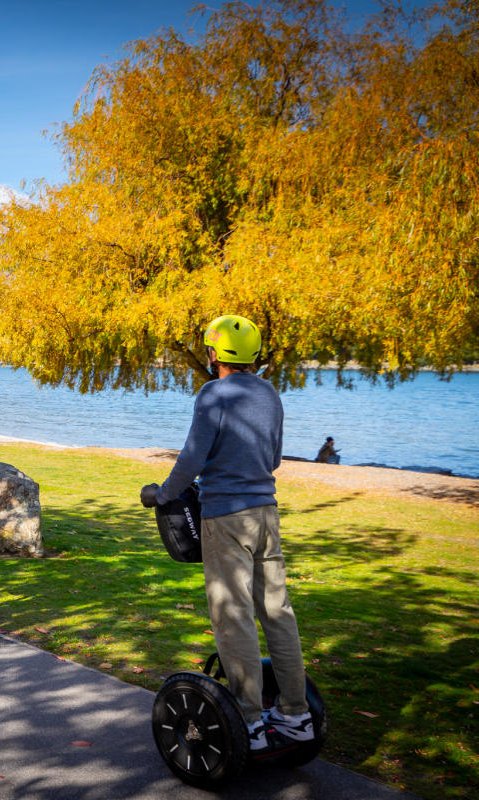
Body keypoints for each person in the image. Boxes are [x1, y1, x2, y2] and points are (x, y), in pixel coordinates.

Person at [140, 315, 312, 752]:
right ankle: (296, 714)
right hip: (266, 514)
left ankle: (249, 720)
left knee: (232, 614)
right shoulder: (270, 394)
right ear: (253, 355)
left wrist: (163, 494)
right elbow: (271, 458)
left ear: (214, 354)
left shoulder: (213, 393)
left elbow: (193, 456)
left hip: (226, 517)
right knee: (277, 611)